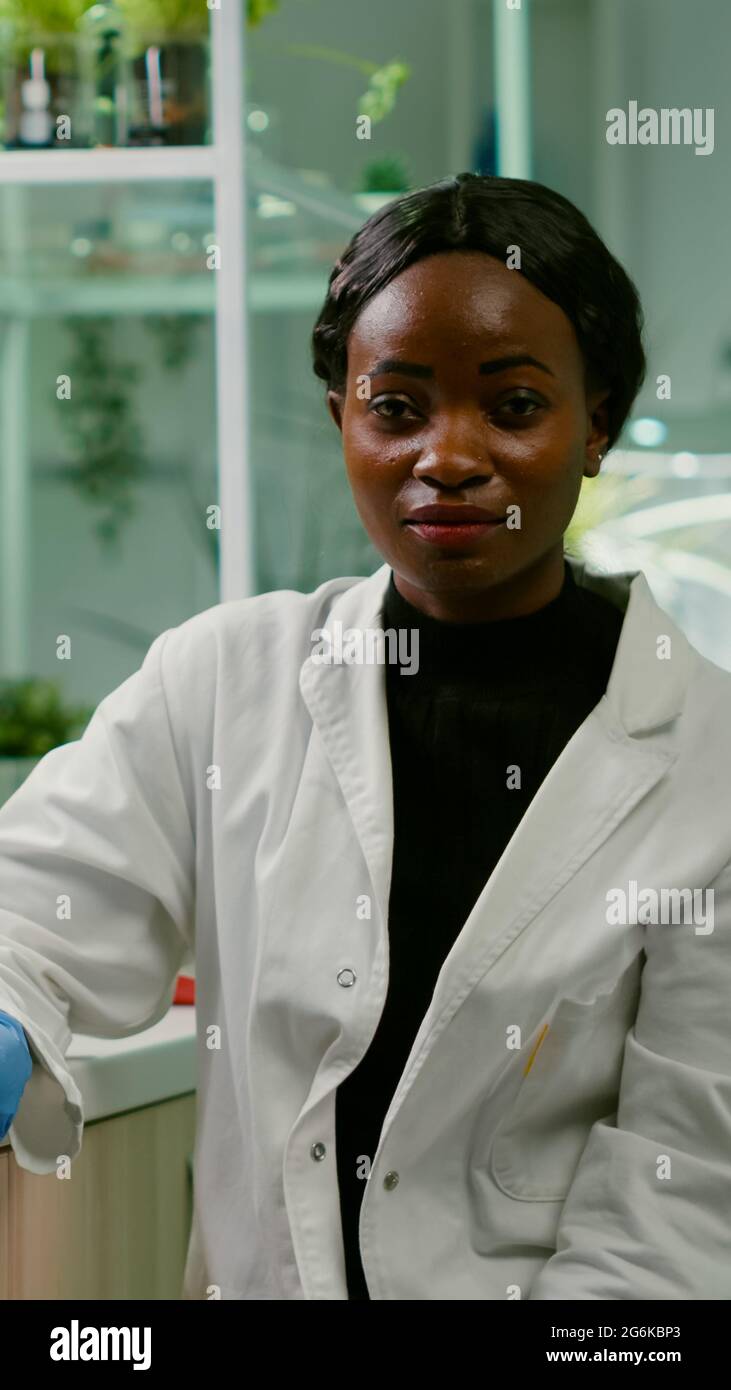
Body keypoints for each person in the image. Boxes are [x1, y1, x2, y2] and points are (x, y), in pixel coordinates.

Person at [1, 172, 730, 1301]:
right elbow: (35, 908)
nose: (446, 453)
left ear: (596, 426)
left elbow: (679, 1202)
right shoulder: (222, 682)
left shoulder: (709, 763)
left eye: (513, 404)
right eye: (395, 407)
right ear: (343, 416)